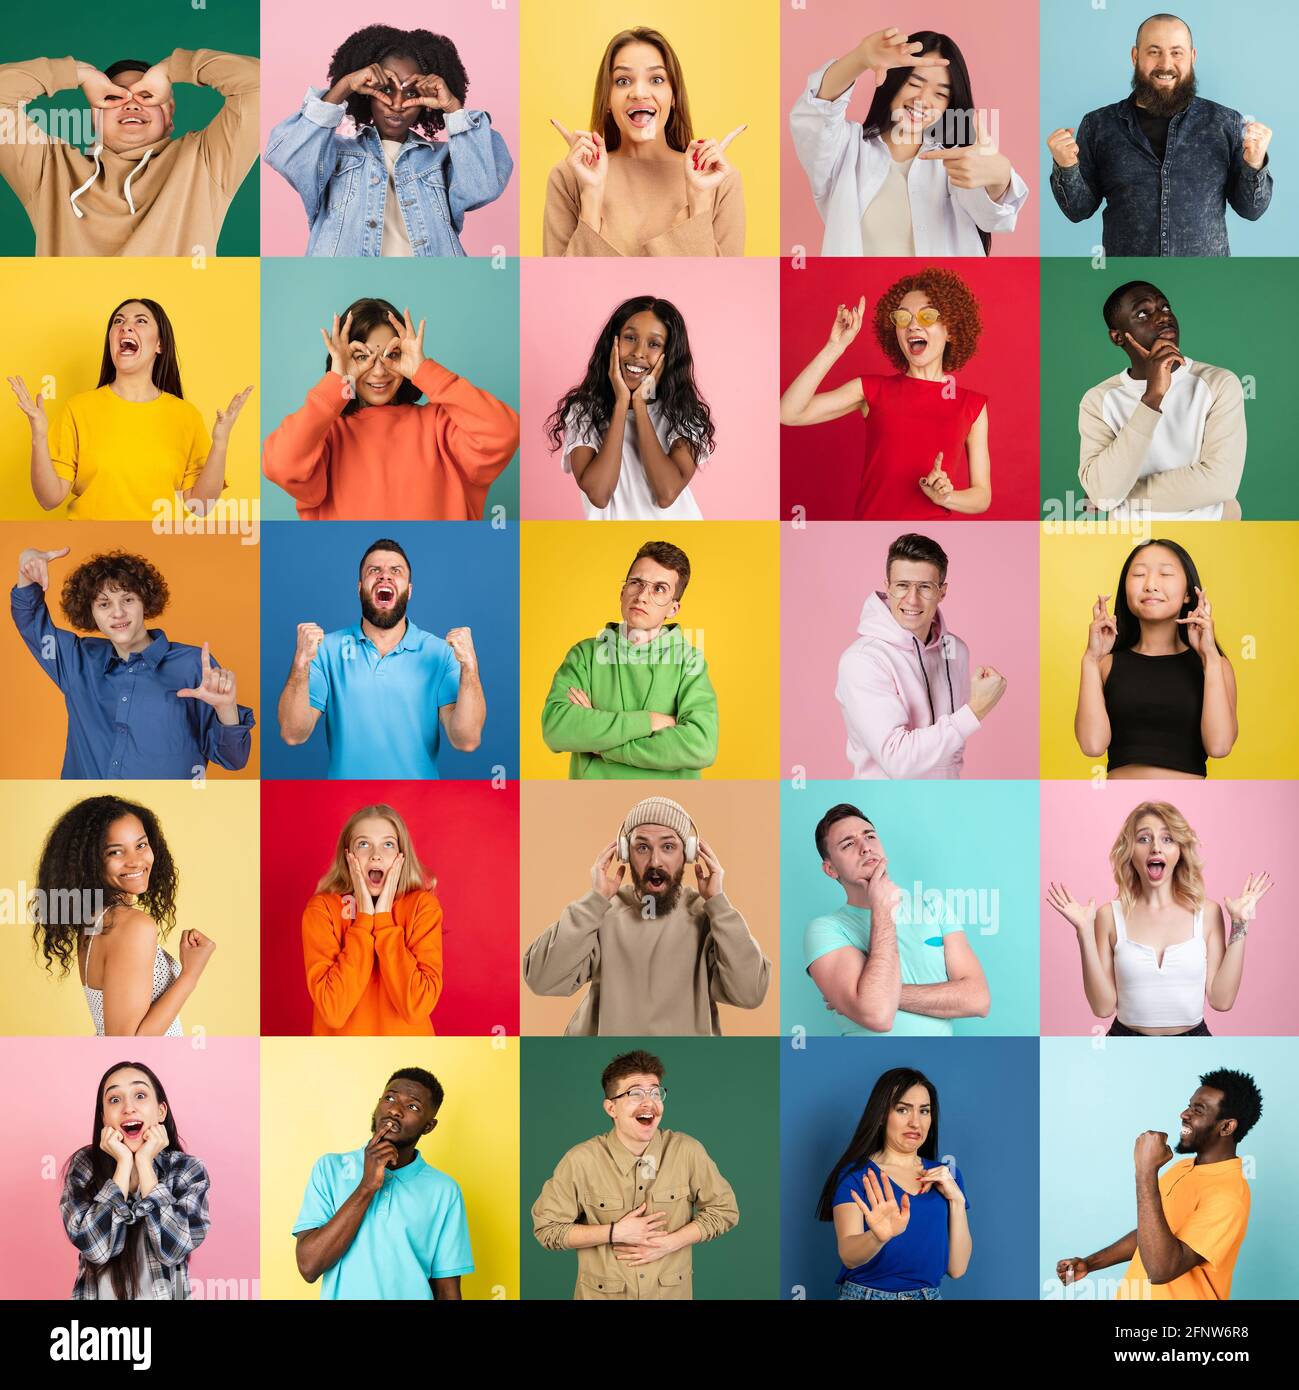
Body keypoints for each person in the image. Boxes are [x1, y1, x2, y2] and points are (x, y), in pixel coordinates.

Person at [523, 796, 770, 1034]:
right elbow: (541, 978)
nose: (655, 861)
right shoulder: (601, 914)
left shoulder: (708, 917)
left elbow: (749, 993)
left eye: (668, 847)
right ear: (625, 853)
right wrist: (594, 901)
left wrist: (718, 903)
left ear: (688, 854)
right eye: (642, 847)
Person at [265, 24, 512, 258]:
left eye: (411, 93)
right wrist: (344, 86)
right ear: (366, 93)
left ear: (426, 101)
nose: (396, 104)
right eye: (386, 90)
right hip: (347, 279)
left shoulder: (443, 159)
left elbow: (483, 187)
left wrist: (453, 108)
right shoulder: (334, 153)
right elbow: (287, 156)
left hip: (429, 279)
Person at [261, 297, 519, 520]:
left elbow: (504, 432)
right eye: (362, 357)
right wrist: (338, 382)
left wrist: (424, 370)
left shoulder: (441, 425)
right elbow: (280, 464)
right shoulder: (324, 437)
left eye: (391, 355)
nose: (379, 370)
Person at [10, 545, 255, 779]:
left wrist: (226, 709)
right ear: (91, 612)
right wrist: (27, 562)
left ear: (144, 602)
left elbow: (233, 759)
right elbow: (30, 620)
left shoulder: (192, 665)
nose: (117, 613)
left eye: (127, 600)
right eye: (104, 604)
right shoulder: (78, 660)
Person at [1046, 13, 1272, 256]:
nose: (1166, 64)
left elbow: (1252, 210)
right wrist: (1066, 166)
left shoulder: (1225, 122)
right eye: (1154, 52)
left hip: (1206, 283)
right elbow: (1078, 211)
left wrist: (1255, 162)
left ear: (1192, 58)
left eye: (1177, 52)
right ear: (1135, 56)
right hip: (1131, 285)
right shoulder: (1099, 125)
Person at [790, 27, 1028, 257]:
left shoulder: (957, 161)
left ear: (949, 105)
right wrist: (859, 59)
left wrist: (1001, 177)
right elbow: (816, 115)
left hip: (942, 295)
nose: (922, 99)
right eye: (914, 83)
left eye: (940, 94)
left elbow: (995, 218)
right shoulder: (846, 151)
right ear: (895, 81)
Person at [8, 297, 253, 520]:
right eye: (118, 321)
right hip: (89, 547)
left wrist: (220, 442)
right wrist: (39, 437)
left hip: (155, 550)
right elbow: (49, 500)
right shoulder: (78, 408)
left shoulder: (185, 416)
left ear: (160, 345)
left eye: (141, 321)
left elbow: (201, 506)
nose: (125, 327)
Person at [0, 47, 259, 256]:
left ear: (169, 115)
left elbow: (259, 85)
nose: (132, 105)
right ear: (94, 116)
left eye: (146, 96)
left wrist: (174, 68)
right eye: (114, 98)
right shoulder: (49, 167)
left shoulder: (204, 159)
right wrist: (76, 74)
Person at [1046, 801, 1271, 1037]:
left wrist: (1240, 924)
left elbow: (1221, 1000)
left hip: (1193, 1044)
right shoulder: (1108, 916)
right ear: (1130, 851)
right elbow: (1102, 1008)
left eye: (1168, 839)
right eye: (1143, 839)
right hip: (1125, 1044)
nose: (1155, 848)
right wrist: (1084, 932)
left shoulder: (1208, 913)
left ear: (1180, 851)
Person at [780, 270, 991, 519]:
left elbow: (982, 497)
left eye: (927, 316)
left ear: (951, 330)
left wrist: (946, 496)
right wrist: (835, 347)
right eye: (903, 318)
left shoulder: (972, 405)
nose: (913, 325)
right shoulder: (871, 390)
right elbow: (788, 413)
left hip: (928, 540)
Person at [531, 1049, 739, 1300]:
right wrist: (614, 1232)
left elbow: (724, 1210)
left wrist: (670, 1243)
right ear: (611, 1108)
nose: (649, 1103)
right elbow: (548, 1229)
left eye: (655, 1092)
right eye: (635, 1093)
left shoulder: (687, 1151)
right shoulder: (580, 1160)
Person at [277, 537, 486, 779]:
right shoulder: (325, 650)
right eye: (374, 570)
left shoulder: (441, 653)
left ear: (409, 591)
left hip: (416, 795)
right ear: (359, 588)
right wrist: (301, 664)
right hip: (347, 795)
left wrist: (470, 667)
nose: (384, 576)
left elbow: (466, 740)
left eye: (395, 571)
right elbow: (293, 733)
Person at [1056, 1068, 1260, 1300]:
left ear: (1226, 1127)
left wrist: (1145, 1171)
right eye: (1189, 1105)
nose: (1184, 1114)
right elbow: (1151, 1235)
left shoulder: (1228, 1195)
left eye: (1198, 1110)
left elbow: (1162, 1270)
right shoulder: (1182, 1168)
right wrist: (1091, 1263)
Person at [544, 27, 746, 257]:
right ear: (607, 99)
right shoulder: (568, 177)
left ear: (674, 97)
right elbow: (561, 287)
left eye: (657, 79)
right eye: (622, 81)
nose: (639, 92)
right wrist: (590, 196)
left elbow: (719, 287)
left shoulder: (720, 181)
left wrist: (699, 204)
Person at [31, 794, 216, 1037]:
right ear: (90, 862)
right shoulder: (132, 926)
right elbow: (128, 1043)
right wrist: (191, 974)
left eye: (141, 845)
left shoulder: (95, 921)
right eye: (115, 852)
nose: (136, 861)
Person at [804, 804, 990, 1035]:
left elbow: (978, 1000)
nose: (865, 848)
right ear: (831, 869)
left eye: (870, 836)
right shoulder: (825, 930)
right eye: (848, 844)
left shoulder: (932, 906)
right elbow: (878, 1016)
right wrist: (883, 911)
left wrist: (879, 996)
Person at [835, 532, 1006, 778]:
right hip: (886, 807)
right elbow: (897, 759)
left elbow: (954, 753)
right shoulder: (862, 660)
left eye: (925, 587)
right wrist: (975, 710)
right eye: (902, 585)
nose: (912, 600)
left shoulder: (955, 649)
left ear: (942, 592)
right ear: (888, 588)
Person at [541, 540, 717, 779]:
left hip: (664, 805)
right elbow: (557, 728)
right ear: (622, 591)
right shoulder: (584, 655)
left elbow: (701, 746)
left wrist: (603, 745)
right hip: (591, 803)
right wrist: (651, 721)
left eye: (659, 589)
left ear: (673, 609)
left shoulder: (689, 662)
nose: (642, 596)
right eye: (636, 583)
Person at [293, 1068, 472, 1300]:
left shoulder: (445, 1191)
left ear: (429, 1126)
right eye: (389, 1098)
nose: (395, 1110)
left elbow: (447, 1291)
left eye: (413, 1106)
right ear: (378, 1104)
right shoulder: (330, 1168)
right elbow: (309, 1266)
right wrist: (366, 1187)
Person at [1079, 281, 1245, 520]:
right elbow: (1104, 491)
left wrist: (1115, 497)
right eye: (1143, 313)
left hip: (1213, 536)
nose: (1162, 317)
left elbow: (1221, 482)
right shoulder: (1098, 400)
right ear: (1118, 337)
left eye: (1165, 307)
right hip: (1130, 543)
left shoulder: (1219, 383)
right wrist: (1151, 398)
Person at [1074, 538, 1237, 779]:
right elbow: (1092, 746)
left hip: (1185, 804)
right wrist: (1090, 659)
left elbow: (1220, 746)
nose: (1151, 585)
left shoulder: (1214, 665)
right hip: (1119, 802)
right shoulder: (1105, 665)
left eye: (1166, 574)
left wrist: (1210, 657)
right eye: (1139, 574)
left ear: (1188, 594)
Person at [545, 295, 714, 520]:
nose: (638, 352)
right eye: (630, 337)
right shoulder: (584, 411)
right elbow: (598, 494)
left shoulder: (684, 413)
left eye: (653, 344)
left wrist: (640, 406)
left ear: (669, 354)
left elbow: (667, 493)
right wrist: (622, 403)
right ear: (613, 342)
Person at [60, 1062, 210, 1300]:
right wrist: (123, 1165)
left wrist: (144, 1163)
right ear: (103, 1117)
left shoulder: (187, 1169)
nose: (128, 1108)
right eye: (114, 1100)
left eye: (140, 1095)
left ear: (161, 1111)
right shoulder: (84, 1165)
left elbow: (175, 1249)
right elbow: (94, 1248)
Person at [816, 1068, 970, 1300]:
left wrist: (957, 1201)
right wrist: (877, 1237)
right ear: (880, 1116)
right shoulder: (856, 1176)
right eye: (902, 1109)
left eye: (924, 1111)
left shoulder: (947, 1177)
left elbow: (957, 1269)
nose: (915, 1122)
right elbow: (848, 1254)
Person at [302, 804, 443, 1035]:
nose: (375, 854)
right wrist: (365, 918)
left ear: (401, 855)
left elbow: (416, 1007)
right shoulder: (322, 910)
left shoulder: (422, 907)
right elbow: (333, 1011)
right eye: (363, 844)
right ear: (348, 855)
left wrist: (384, 919)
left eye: (388, 844)